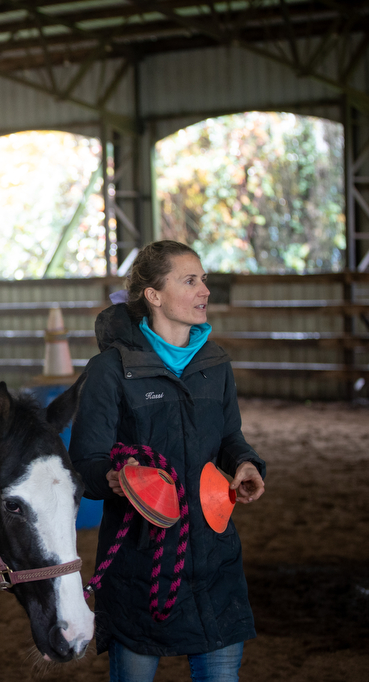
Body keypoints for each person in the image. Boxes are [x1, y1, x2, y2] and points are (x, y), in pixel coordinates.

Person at [69, 240, 266, 682]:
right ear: (154, 296)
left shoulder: (215, 363)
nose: (205, 291)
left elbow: (230, 437)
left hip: (216, 564)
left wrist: (247, 465)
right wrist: (115, 478)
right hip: (140, 566)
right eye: (190, 280)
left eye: (204, 281)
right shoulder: (110, 370)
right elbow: (85, 462)